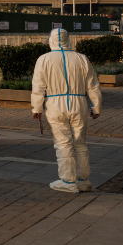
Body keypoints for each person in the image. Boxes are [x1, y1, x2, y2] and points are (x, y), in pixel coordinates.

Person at [31, 28, 102, 193]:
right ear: (68, 39)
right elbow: (92, 84)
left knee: (63, 143)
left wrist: (37, 107)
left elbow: (38, 85)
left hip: (55, 103)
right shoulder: (82, 58)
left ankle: (68, 181)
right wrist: (96, 106)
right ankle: (83, 180)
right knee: (80, 143)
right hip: (79, 103)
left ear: (51, 40)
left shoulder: (44, 59)